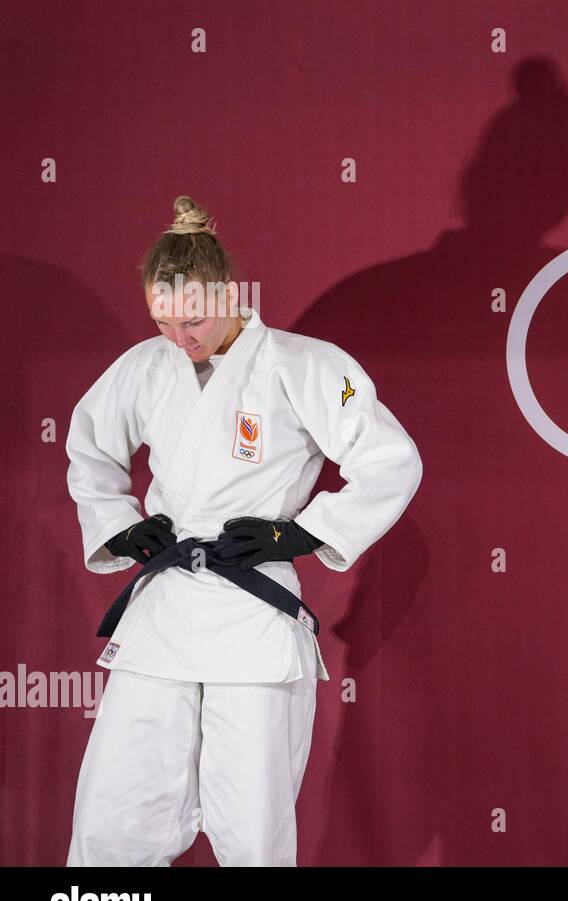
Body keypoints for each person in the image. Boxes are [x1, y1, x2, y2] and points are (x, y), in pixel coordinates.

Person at [64, 195, 423, 866]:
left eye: (193, 317)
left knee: (253, 826)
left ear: (228, 292)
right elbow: (90, 448)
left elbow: (390, 460)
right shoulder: (145, 368)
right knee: (114, 812)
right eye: (163, 321)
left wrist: (304, 533)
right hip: (165, 613)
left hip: (252, 605)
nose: (180, 338)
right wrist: (120, 526)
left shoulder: (304, 364)